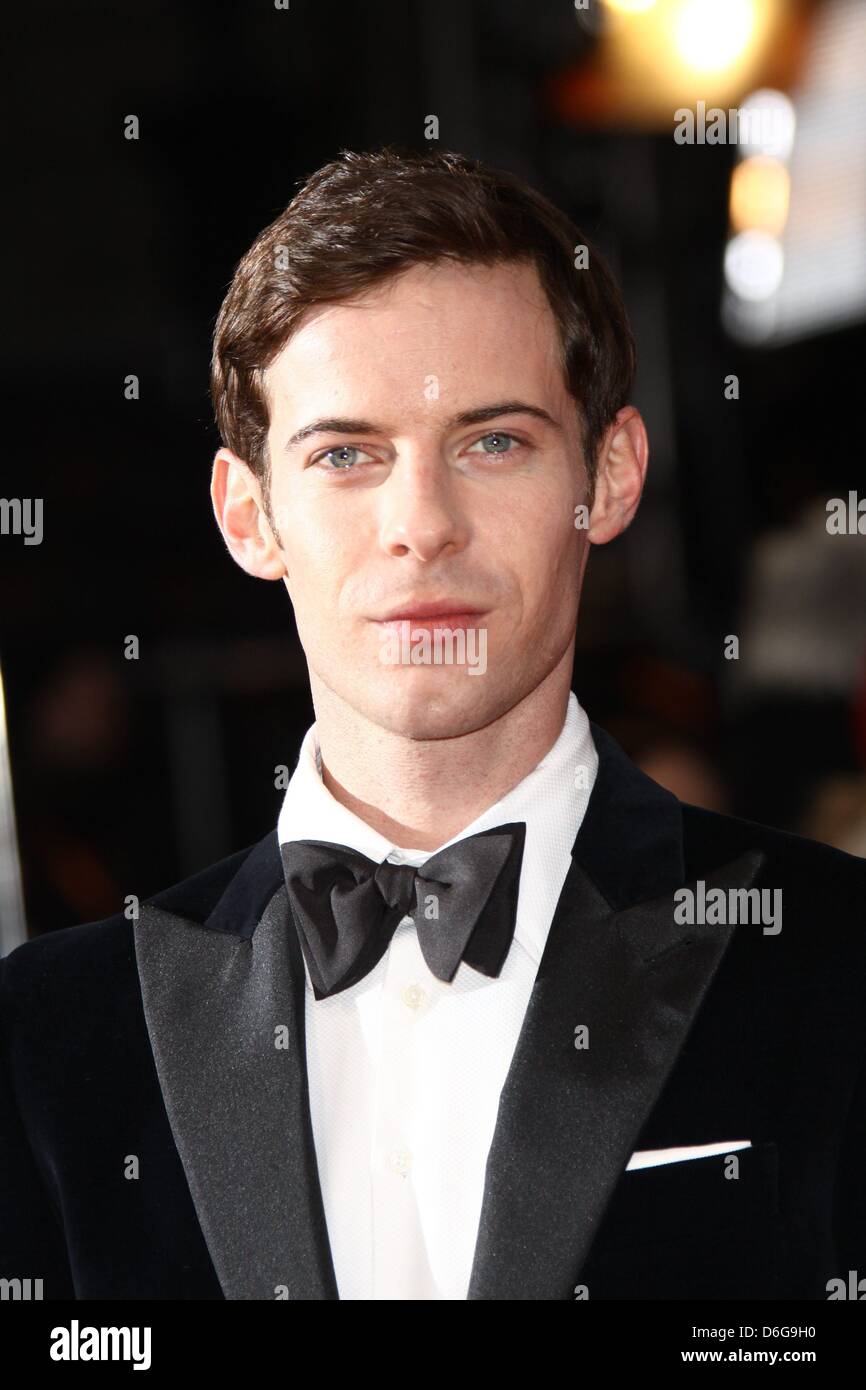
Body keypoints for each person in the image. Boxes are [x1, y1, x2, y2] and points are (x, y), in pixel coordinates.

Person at [1, 147, 864, 1302]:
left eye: (491, 441)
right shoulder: (46, 1037)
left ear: (606, 477)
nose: (423, 524)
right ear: (249, 515)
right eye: (347, 455)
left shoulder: (835, 964)